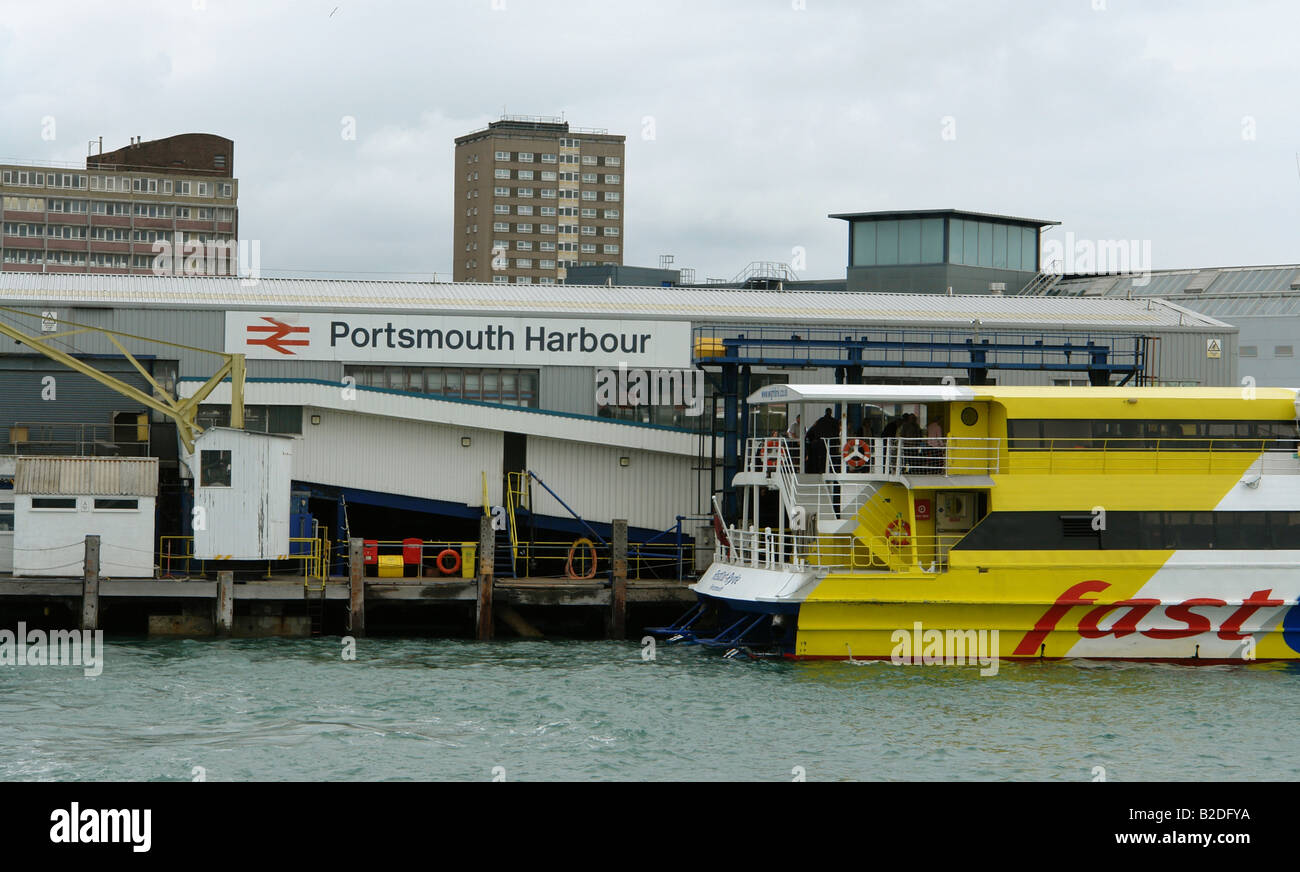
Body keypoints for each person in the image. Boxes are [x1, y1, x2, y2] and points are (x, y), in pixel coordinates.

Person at [804, 407, 837, 474]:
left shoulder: (820, 420)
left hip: (820, 443)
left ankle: (821, 470)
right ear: (831, 412)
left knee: (821, 458)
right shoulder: (834, 421)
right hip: (831, 443)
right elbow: (836, 432)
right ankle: (831, 470)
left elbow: (813, 432)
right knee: (831, 458)